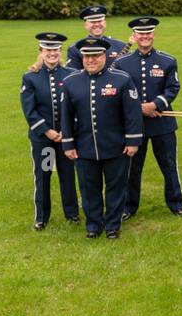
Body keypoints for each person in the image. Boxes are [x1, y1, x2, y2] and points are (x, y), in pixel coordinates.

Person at [60, 37, 143, 239]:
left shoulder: (121, 79)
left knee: (116, 187)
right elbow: (66, 116)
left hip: (116, 146)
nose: (91, 60)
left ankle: (113, 225)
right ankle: (93, 226)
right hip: (84, 147)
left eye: (95, 56)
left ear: (104, 56)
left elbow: (132, 114)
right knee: (89, 189)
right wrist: (68, 144)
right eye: (87, 56)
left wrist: (133, 141)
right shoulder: (71, 82)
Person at [113, 16, 182, 219]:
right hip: (134, 126)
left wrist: (156, 104)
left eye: (148, 33)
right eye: (141, 33)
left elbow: (173, 87)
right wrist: (139, 108)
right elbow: (120, 93)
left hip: (163, 123)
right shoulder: (122, 63)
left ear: (153, 34)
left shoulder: (168, 60)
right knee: (132, 169)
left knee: (169, 165)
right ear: (134, 36)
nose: (145, 36)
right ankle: (129, 207)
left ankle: (176, 203)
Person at [20, 31, 79, 230]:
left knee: (68, 176)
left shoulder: (70, 75)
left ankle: (72, 214)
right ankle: (41, 216)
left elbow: (74, 107)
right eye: (48, 50)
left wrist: (66, 132)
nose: (52, 53)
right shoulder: (31, 77)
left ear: (60, 51)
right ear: (41, 51)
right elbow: (30, 110)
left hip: (65, 138)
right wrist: (47, 131)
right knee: (44, 175)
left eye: (55, 50)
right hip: (44, 140)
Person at [66, 5, 129, 69]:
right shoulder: (75, 49)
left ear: (105, 22)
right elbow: (73, 75)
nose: (97, 24)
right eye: (92, 22)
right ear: (85, 25)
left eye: (100, 21)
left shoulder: (120, 46)